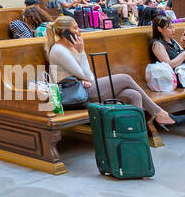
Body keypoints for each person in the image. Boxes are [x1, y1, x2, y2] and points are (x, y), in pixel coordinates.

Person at [44, 16, 175, 127]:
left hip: (86, 89)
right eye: (75, 28)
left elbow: (88, 76)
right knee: (125, 78)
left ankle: (135, 134)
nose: (79, 31)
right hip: (76, 96)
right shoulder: (59, 50)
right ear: (64, 31)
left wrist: (83, 77)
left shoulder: (71, 47)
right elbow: (89, 77)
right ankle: (158, 113)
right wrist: (82, 53)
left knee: (134, 95)